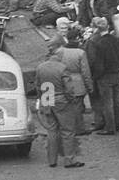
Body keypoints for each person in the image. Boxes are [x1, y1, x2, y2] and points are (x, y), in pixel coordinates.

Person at [36, 38, 85, 168]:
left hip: (47, 99)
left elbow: (38, 86)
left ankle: (52, 160)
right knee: (67, 130)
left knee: (52, 131)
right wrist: (71, 99)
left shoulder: (40, 68)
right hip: (61, 101)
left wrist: (42, 101)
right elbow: (68, 88)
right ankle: (69, 159)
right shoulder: (62, 68)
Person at [84, 16, 119, 135]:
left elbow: (98, 64)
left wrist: (96, 76)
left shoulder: (99, 43)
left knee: (107, 103)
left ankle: (109, 127)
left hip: (105, 76)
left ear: (97, 29)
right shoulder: (118, 40)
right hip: (117, 74)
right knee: (118, 100)